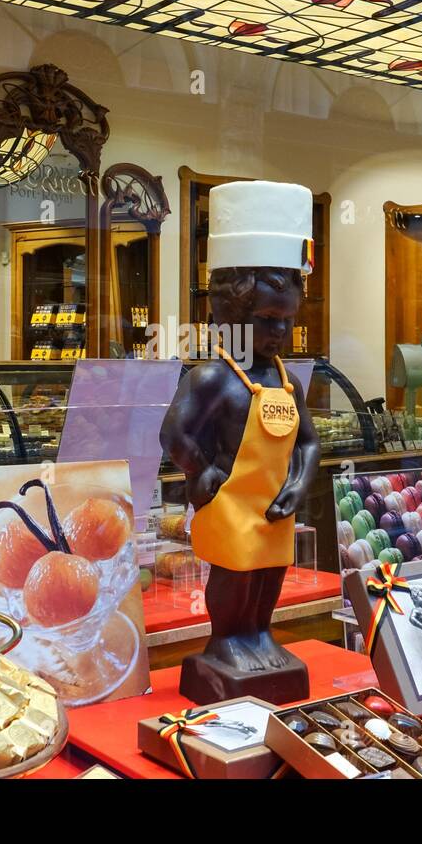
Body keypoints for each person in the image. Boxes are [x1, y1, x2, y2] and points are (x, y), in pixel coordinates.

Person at [160, 180, 319, 700]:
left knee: (271, 571)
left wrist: (298, 483)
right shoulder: (211, 379)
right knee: (236, 570)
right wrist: (202, 470)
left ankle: (260, 632)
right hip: (231, 499)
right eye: (267, 321)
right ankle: (228, 638)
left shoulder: (286, 380)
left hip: (275, 501)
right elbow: (174, 432)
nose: (279, 334)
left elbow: (307, 443)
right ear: (228, 316)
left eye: (287, 322)